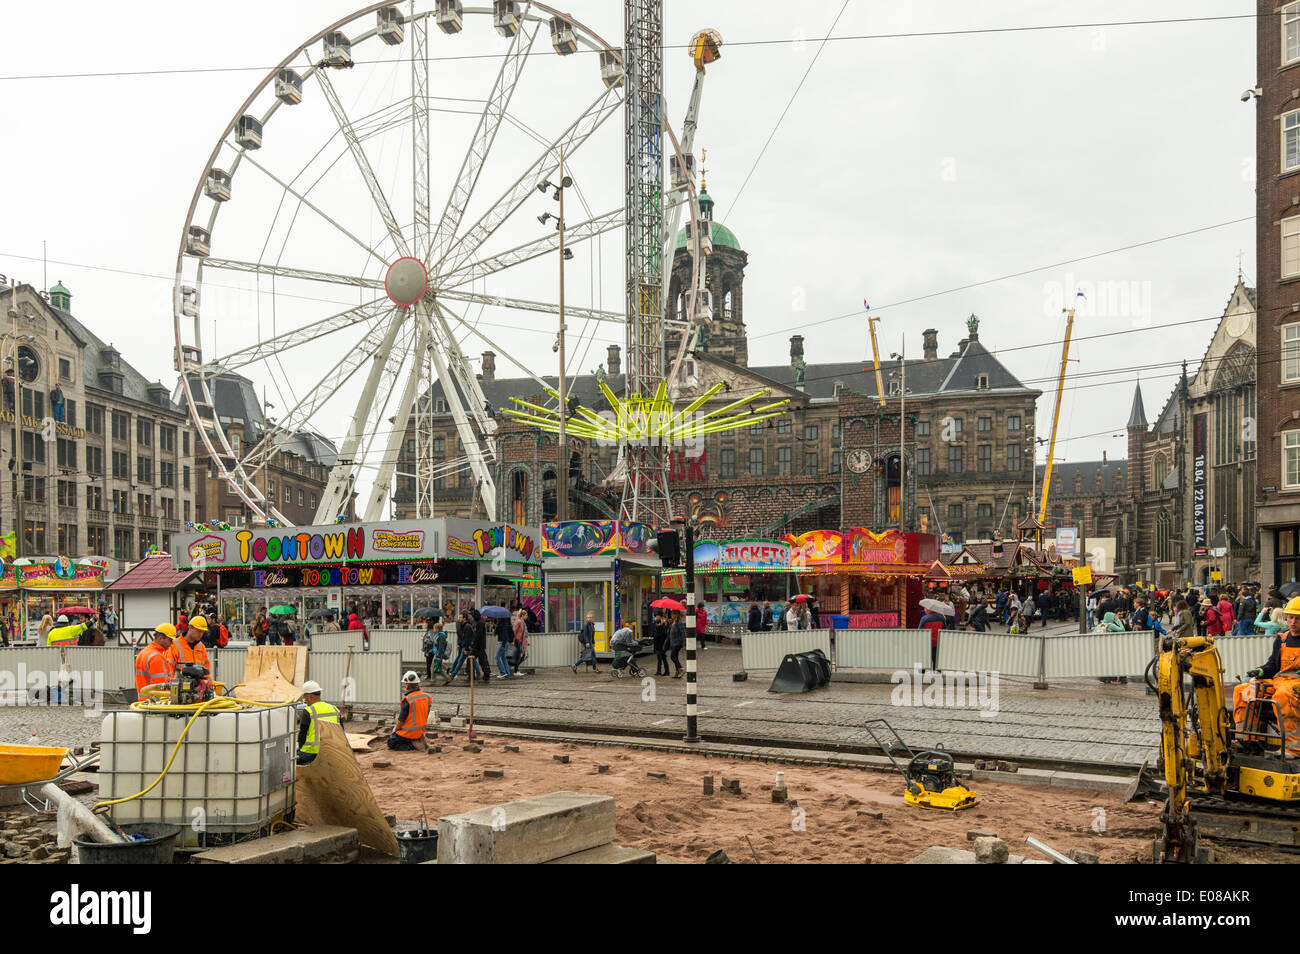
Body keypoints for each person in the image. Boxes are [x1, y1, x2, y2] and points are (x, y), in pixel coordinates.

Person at [1234, 597, 1300, 754]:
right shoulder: (1282, 640)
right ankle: (1246, 739)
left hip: (1294, 685)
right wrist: (1260, 671)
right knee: (1242, 691)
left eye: (1297, 618)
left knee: (1283, 696)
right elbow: (1272, 665)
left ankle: (1293, 748)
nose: (1293, 622)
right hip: (1280, 681)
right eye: (1290, 617)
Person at [296, 681, 338, 765]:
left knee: (289, 759)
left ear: (309, 696)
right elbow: (341, 732)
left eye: (305, 698)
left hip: (311, 753)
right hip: (332, 750)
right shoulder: (334, 709)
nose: (306, 701)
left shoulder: (309, 711)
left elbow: (302, 735)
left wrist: (301, 751)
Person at [387, 672, 433, 751]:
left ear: (407, 684)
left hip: (409, 733)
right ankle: (417, 741)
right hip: (420, 732)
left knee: (391, 742)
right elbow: (426, 714)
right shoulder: (427, 697)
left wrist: (395, 730)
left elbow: (401, 720)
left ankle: (413, 745)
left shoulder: (408, 699)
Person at [134, 625, 177, 695]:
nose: (172, 643)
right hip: (154, 703)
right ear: (160, 638)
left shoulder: (143, 653)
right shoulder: (157, 657)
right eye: (170, 640)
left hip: (143, 701)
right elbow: (160, 687)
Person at [494, 610, 515, 679]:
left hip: (503, 642)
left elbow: (505, 635)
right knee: (503, 658)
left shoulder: (503, 624)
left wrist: (503, 645)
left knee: (497, 657)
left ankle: (503, 672)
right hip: (505, 642)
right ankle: (507, 674)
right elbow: (495, 633)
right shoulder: (504, 623)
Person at [669, 610, 686, 678]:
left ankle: (681, 669)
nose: (671, 615)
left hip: (678, 643)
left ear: (676, 615)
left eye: (673, 614)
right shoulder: (674, 622)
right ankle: (677, 673)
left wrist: (684, 644)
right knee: (675, 657)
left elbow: (683, 634)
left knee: (672, 656)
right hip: (673, 642)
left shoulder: (679, 623)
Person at [511, 609, 529, 675]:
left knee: (525, 655)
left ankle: (516, 668)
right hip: (517, 641)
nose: (527, 617)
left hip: (521, 641)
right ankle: (516, 670)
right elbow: (514, 631)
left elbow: (523, 633)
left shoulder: (523, 622)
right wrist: (512, 641)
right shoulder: (518, 621)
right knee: (518, 656)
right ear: (523, 615)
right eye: (526, 615)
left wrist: (526, 642)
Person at [652, 611, 670, 676]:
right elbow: (656, 633)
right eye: (655, 616)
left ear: (660, 616)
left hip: (661, 644)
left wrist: (661, 626)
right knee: (660, 658)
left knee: (662, 657)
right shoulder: (658, 623)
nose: (655, 617)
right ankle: (660, 671)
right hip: (659, 643)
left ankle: (665, 671)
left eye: (656, 616)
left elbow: (663, 634)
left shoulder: (663, 624)